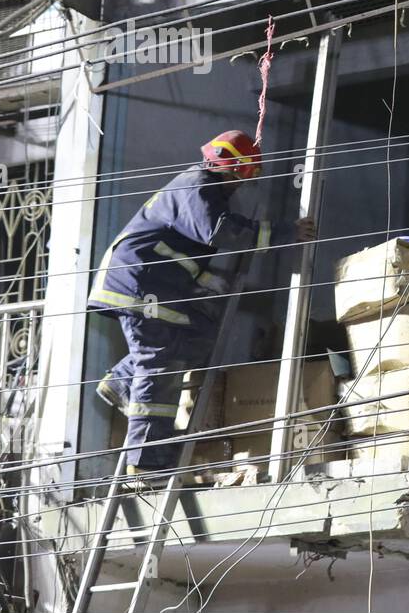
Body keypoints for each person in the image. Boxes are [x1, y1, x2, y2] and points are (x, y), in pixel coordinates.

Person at [88, 130, 316, 478]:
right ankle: (147, 461)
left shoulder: (200, 188)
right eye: (245, 177)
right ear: (234, 170)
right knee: (159, 365)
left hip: (158, 286)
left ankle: (121, 381)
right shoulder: (197, 185)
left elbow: (186, 247)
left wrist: (208, 282)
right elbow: (219, 231)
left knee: (200, 334)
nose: (243, 186)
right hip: (141, 286)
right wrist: (285, 232)